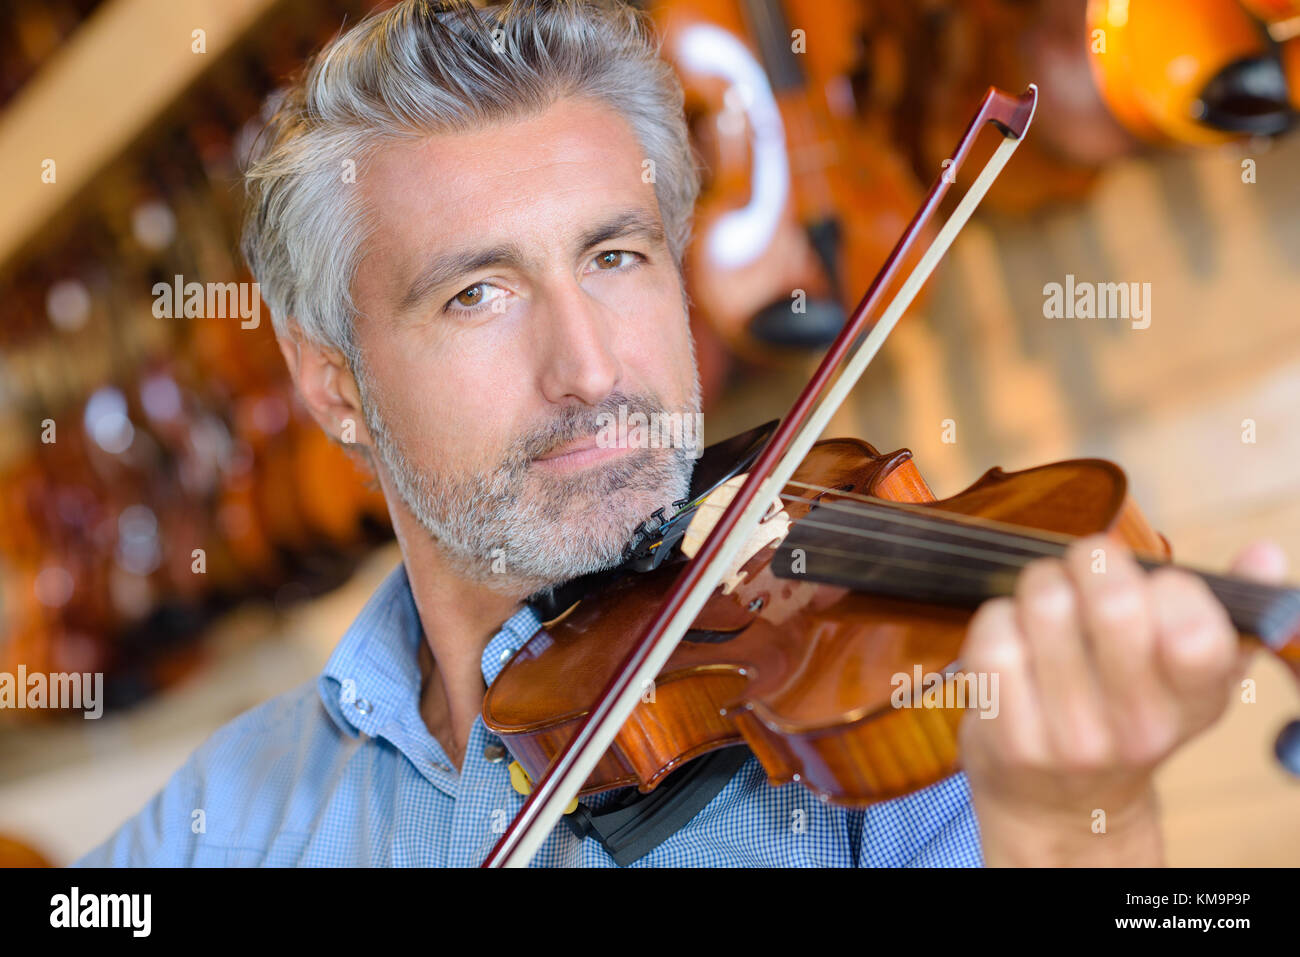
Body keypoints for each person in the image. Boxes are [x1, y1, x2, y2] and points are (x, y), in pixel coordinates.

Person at [76, 0, 1286, 867]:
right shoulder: (233, 813)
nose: (591, 367)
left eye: (615, 256)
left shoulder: (891, 731)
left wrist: (1080, 824)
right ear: (334, 384)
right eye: (476, 294)